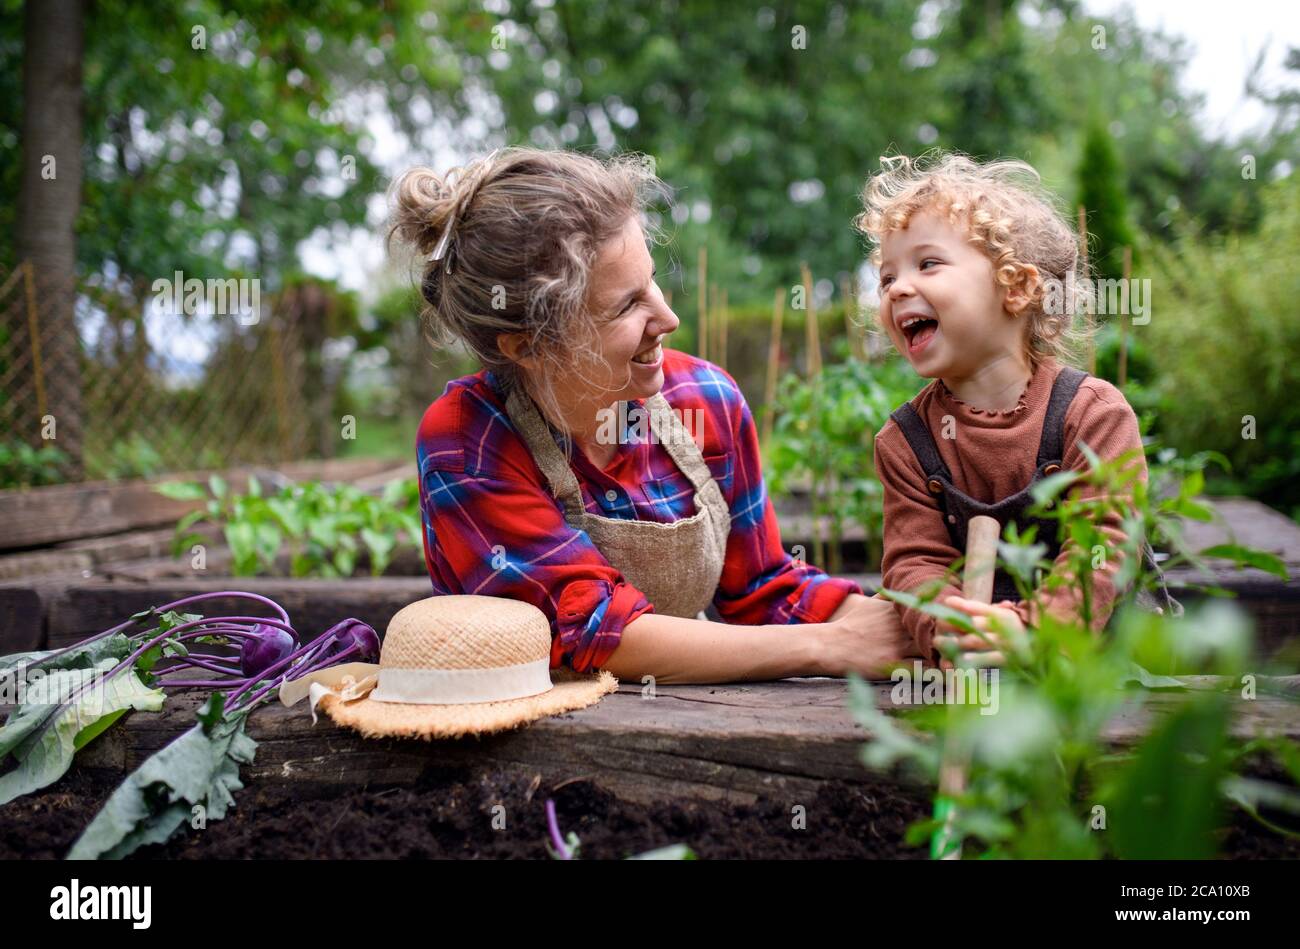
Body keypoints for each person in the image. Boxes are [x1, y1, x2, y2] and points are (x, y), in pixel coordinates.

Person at [388, 147, 913, 685]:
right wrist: (829, 645)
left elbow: (760, 587)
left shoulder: (706, 399)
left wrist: (904, 623)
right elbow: (596, 634)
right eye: (625, 306)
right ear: (528, 345)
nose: (668, 316)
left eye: (653, 281)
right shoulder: (467, 440)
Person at [857, 152, 1147, 664]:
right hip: (972, 667)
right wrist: (950, 626)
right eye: (886, 278)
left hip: (1099, 678)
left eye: (927, 264)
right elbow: (915, 562)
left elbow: (1104, 550)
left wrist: (1032, 630)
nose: (898, 288)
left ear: (1016, 287)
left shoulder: (1092, 415)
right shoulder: (905, 442)